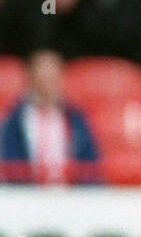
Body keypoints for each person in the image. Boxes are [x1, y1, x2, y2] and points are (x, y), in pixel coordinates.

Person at [0, 49, 100, 184]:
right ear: (30, 78)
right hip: (26, 193)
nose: (46, 85)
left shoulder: (76, 118)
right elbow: (10, 162)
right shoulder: (14, 120)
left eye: (51, 78)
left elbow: (89, 165)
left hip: (70, 193)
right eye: (42, 78)